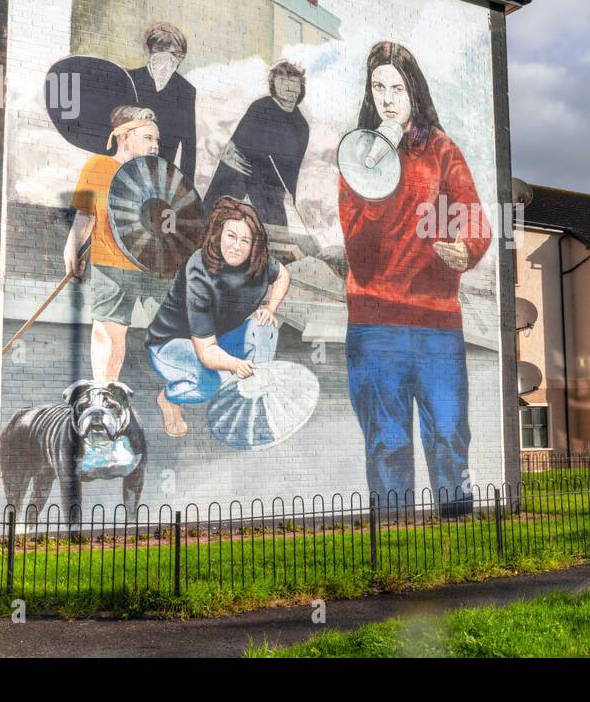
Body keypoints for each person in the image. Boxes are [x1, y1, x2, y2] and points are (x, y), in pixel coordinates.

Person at [338, 41, 491, 514]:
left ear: (414, 91)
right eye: (378, 87)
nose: (388, 98)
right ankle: (396, 540)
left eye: (397, 88)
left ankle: (458, 526)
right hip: (374, 322)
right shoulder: (357, 153)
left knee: (448, 431)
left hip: (435, 324)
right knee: (386, 441)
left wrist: (464, 249)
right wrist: (375, 182)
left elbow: (473, 216)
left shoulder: (441, 150)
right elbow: (358, 249)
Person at [147, 196, 290, 438]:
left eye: (245, 240)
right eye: (231, 236)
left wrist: (270, 308)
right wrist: (235, 365)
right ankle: (169, 398)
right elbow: (206, 351)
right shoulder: (199, 271)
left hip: (217, 339)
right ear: (219, 235)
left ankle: (252, 403)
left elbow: (283, 275)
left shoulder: (259, 263)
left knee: (265, 326)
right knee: (207, 384)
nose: (237, 246)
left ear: (254, 244)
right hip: (172, 344)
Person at [65, 105, 161, 383]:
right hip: (111, 265)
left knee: (167, 332)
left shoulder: (155, 175)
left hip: (150, 266)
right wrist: (71, 247)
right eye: (148, 138)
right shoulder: (98, 166)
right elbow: (85, 214)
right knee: (109, 332)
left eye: (157, 140)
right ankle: (104, 392)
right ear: (124, 137)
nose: (155, 146)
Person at [204, 60, 310, 229]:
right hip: (242, 174)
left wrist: (290, 196)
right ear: (273, 85)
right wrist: (228, 154)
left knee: (275, 229)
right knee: (218, 216)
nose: (288, 87)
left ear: (300, 88)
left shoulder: (301, 125)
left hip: (271, 186)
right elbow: (235, 148)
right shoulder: (260, 107)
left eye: (293, 82)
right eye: (282, 81)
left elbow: (292, 169)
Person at [127, 22, 197, 182]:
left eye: (175, 55)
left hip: (161, 174)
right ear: (150, 50)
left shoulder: (185, 90)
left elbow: (189, 146)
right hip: (127, 167)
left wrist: (186, 188)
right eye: (161, 50)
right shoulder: (131, 79)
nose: (167, 60)